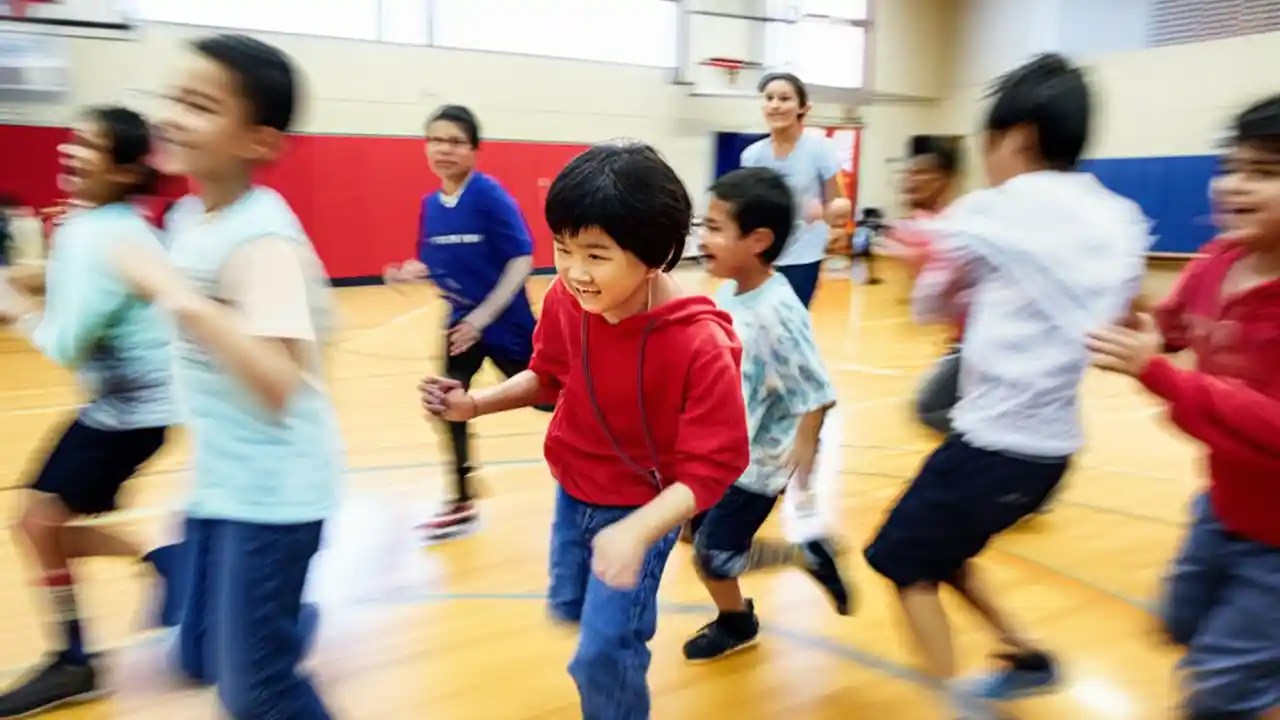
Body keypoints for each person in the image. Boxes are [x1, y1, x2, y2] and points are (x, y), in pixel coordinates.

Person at [862, 54, 1151, 719]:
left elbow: (930, 308)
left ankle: (953, 708)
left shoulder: (990, 211)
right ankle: (1025, 652)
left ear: (1015, 136)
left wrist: (922, 266)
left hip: (991, 445)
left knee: (901, 564)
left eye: (989, 145)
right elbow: (1123, 306)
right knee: (944, 549)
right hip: (1051, 454)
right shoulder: (1119, 218)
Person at [420, 141, 749, 719]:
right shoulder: (569, 302)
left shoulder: (702, 343)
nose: (573, 272)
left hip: (640, 512)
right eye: (563, 248)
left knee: (604, 654)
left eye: (596, 255)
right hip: (574, 494)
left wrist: (636, 532)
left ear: (656, 255)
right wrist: (473, 405)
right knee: (570, 608)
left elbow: (713, 469)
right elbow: (547, 376)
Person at [111, 34, 340, 719]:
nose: (173, 116)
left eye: (200, 105)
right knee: (196, 657)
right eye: (173, 98)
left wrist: (177, 296)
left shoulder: (261, 240)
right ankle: (285, 618)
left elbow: (276, 383)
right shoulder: (188, 215)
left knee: (256, 691)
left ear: (259, 142)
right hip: (220, 481)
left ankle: (274, 626)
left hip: (274, 495)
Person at [1088, 94, 1280, 720]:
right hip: (1224, 505)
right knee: (1180, 623)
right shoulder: (1215, 263)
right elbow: (1168, 328)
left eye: (1266, 172)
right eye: (1233, 167)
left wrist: (1163, 376)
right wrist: (1120, 307)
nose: (1237, 186)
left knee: (1218, 693)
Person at [0, 107, 182, 719]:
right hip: (134, 408)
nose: (71, 153)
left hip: (129, 413)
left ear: (127, 171)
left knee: (36, 524)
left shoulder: (98, 234)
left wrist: (11, 302)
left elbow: (64, 344)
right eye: (74, 139)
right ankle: (161, 561)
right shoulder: (106, 224)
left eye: (92, 148)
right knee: (38, 523)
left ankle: (76, 660)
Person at [682, 166, 851, 664]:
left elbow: (817, 392)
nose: (703, 238)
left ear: (757, 240)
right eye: (704, 225)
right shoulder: (733, 288)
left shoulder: (778, 311)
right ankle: (746, 603)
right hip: (721, 448)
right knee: (695, 534)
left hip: (757, 464)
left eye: (715, 227)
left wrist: (802, 462)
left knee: (713, 556)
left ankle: (748, 611)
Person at [385, 104, 545, 539]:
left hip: (506, 326)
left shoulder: (488, 195)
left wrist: (483, 318)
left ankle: (627, 462)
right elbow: (439, 259)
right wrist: (415, 270)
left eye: (455, 141)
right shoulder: (430, 205)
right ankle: (460, 498)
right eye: (435, 140)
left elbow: (521, 258)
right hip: (460, 328)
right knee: (446, 404)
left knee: (553, 401)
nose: (444, 149)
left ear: (474, 150)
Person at [739, 72, 846, 308]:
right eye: (769, 98)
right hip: (761, 255)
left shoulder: (820, 149)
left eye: (785, 99)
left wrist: (827, 216)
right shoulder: (752, 155)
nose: (775, 105)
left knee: (790, 324)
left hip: (803, 255)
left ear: (803, 108)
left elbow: (839, 202)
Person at [885, 135, 965, 434]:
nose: (910, 180)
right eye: (909, 172)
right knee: (934, 408)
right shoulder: (922, 224)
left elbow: (929, 307)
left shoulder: (956, 225)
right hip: (967, 342)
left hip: (982, 345)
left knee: (931, 407)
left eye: (921, 173)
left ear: (944, 179)